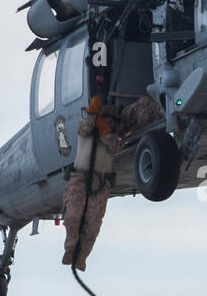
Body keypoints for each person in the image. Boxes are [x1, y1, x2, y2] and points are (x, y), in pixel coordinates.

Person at [61, 94, 164, 270]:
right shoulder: (88, 128)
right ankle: (71, 248)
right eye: (108, 120)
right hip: (80, 179)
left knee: (93, 225)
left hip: (100, 184)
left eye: (113, 121)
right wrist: (93, 116)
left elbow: (116, 143)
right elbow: (85, 126)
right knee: (73, 217)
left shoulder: (113, 138)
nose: (111, 123)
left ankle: (82, 256)